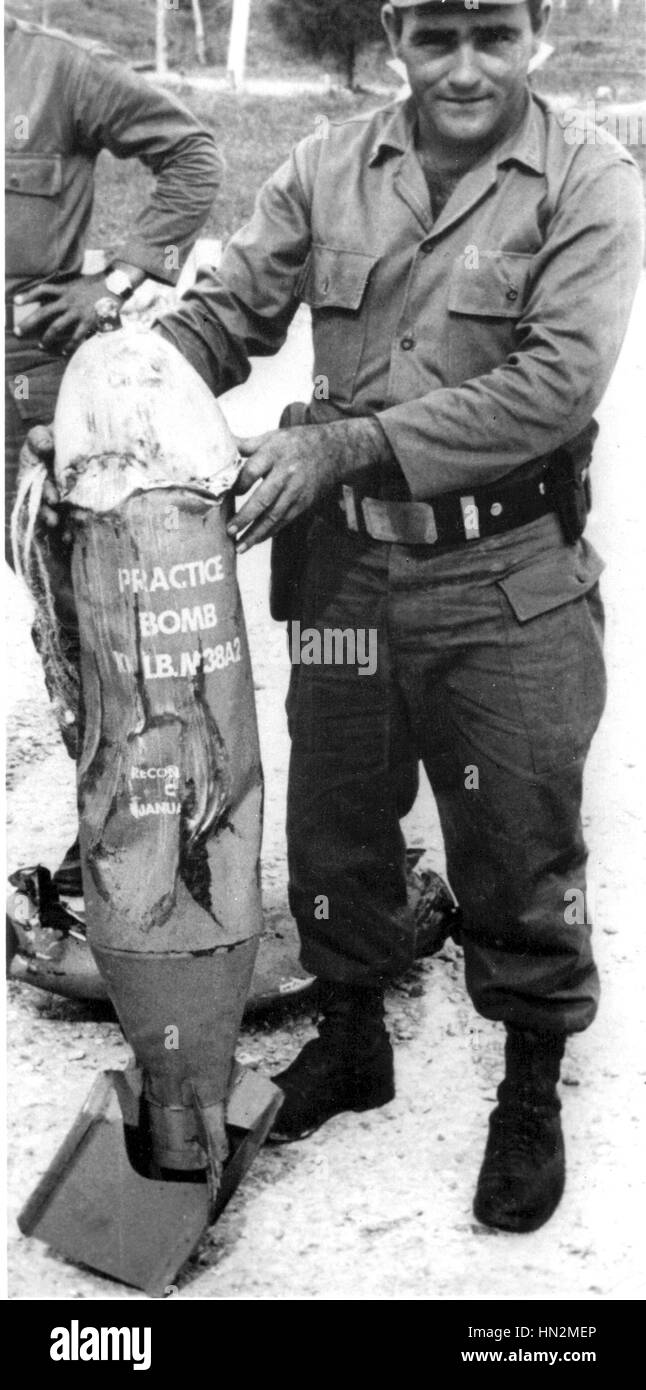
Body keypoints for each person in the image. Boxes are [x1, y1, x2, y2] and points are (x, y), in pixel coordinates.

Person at [33, 1, 644, 1234]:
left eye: (490, 33)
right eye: (434, 36)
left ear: (532, 33)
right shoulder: (325, 166)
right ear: (395, 33)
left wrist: (351, 446)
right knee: (337, 820)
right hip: (343, 583)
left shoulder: (589, 178)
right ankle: (355, 1035)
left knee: (520, 835)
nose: (461, 66)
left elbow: (553, 383)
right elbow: (226, 316)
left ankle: (529, 1079)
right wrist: (117, 392)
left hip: (502, 580)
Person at [5, 11, 222, 892]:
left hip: (26, 383)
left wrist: (121, 273)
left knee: (86, 620)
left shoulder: (53, 70)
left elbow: (195, 156)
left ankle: (141, 841)